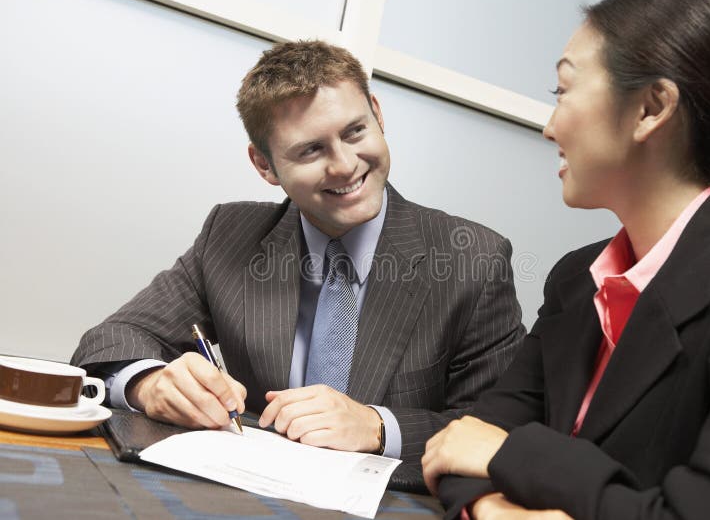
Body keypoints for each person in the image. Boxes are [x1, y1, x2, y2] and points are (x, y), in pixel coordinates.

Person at [421, 0, 710, 518]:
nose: (549, 126)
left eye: (562, 90)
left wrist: (516, 457)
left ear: (650, 108)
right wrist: (496, 509)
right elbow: (462, 446)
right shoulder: (575, 280)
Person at [71, 41, 525, 471]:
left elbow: (502, 433)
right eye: (311, 149)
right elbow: (110, 339)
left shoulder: (474, 261)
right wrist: (149, 384)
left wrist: (377, 427)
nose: (345, 165)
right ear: (264, 165)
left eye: (355, 131)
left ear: (378, 115)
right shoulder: (231, 234)